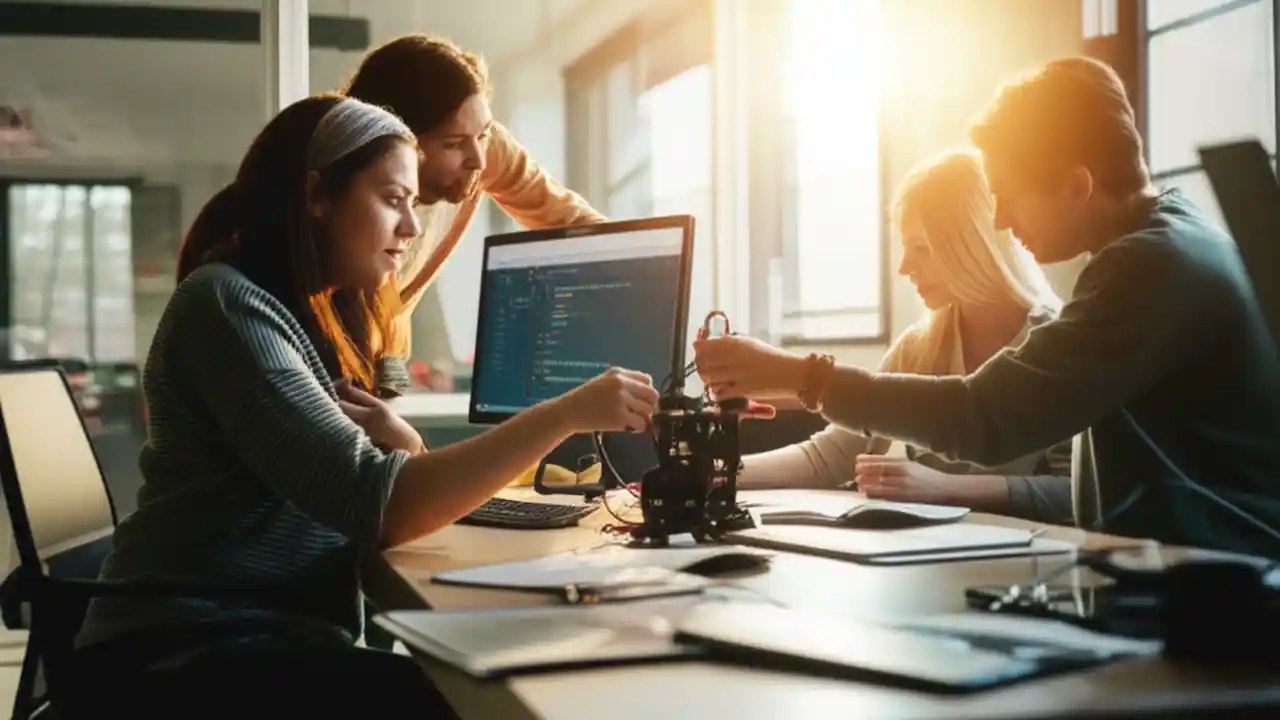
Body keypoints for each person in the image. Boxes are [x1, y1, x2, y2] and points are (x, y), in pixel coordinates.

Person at [72, 95, 658, 715]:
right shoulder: (226, 307)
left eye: (411, 203)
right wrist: (565, 412)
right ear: (317, 195)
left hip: (253, 636)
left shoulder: (299, 312)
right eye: (391, 199)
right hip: (179, 655)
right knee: (483, 703)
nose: (409, 227)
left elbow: (364, 485)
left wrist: (404, 447)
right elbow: (377, 503)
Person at [696, 58, 1280, 556]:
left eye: (1006, 195)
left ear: (1078, 186)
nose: (999, 219)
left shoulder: (1149, 267)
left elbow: (984, 417)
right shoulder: (1179, 237)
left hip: (1225, 583)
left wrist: (802, 376)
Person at [739, 151, 1072, 524]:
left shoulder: (1059, 343)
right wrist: (715, 474)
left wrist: (944, 487)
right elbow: (829, 457)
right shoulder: (921, 345)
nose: (903, 267)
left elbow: (1075, 493)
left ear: (971, 244)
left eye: (921, 248)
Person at [341, 34, 605, 392]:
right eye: (451, 144)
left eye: (482, 135)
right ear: (393, 146)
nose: (478, 161)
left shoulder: (480, 147)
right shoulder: (339, 203)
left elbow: (579, 227)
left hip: (384, 354)